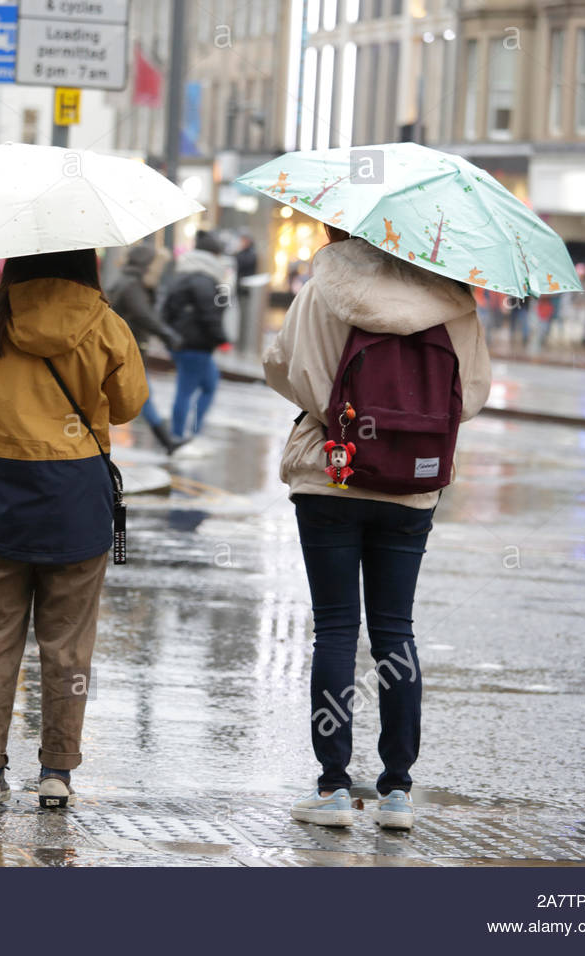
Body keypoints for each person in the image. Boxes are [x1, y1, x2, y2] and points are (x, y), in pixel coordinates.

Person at [262, 225, 491, 831]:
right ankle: (396, 794)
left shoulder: (324, 289)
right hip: (413, 485)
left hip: (330, 475)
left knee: (336, 629)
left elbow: (284, 368)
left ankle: (334, 790)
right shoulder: (453, 298)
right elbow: (469, 397)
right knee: (396, 633)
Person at [0, 249, 148, 809]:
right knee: (68, 643)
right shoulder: (105, 323)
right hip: (75, 493)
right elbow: (128, 406)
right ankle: (56, 771)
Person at [106, 243, 185, 453]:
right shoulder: (132, 285)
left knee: (139, 394)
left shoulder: (130, 281)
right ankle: (167, 440)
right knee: (141, 394)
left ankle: (167, 440)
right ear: (147, 265)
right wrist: (168, 335)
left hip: (128, 346)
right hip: (128, 348)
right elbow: (145, 315)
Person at [163, 230, 228, 442]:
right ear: (213, 256)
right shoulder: (204, 280)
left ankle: (192, 432)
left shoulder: (181, 275)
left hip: (183, 344)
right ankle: (179, 435)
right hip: (195, 345)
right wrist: (221, 338)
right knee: (186, 389)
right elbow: (210, 314)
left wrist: (172, 336)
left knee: (209, 383)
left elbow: (165, 311)